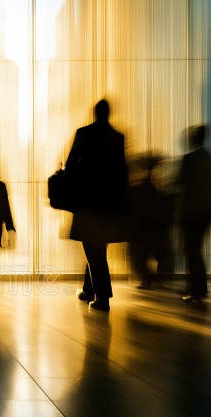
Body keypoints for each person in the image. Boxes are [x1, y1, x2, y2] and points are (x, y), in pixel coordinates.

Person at [66, 99, 129, 311]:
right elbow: (122, 174)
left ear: (95, 113)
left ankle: (102, 296)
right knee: (97, 247)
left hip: (88, 202)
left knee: (93, 249)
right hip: (108, 204)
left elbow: (70, 165)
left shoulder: (84, 134)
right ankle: (89, 289)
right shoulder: (117, 138)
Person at [176, 125, 211, 302]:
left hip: (190, 212)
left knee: (191, 251)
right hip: (205, 212)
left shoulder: (189, 159)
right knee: (196, 250)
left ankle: (196, 289)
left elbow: (180, 182)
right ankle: (198, 288)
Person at [128, 153, 174, 289]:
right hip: (154, 223)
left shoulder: (140, 186)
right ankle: (153, 279)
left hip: (143, 224)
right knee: (156, 252)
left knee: (141, 254)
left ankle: (148, 279)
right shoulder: (157, 185)